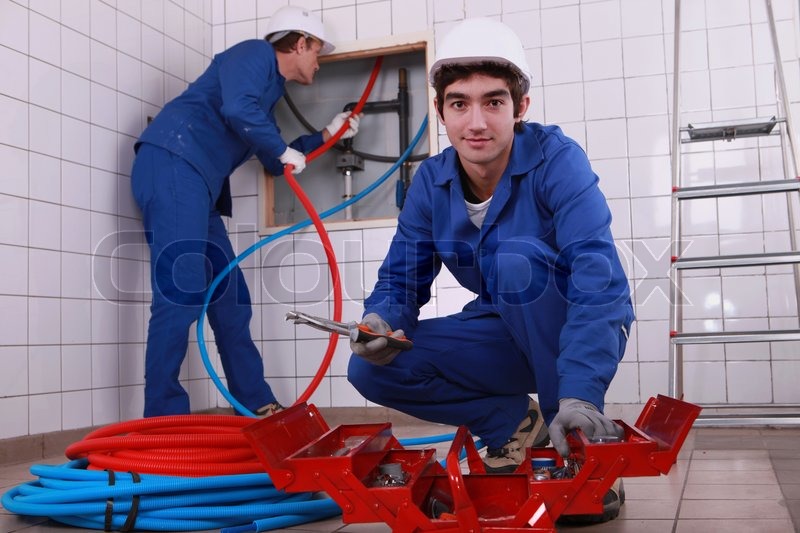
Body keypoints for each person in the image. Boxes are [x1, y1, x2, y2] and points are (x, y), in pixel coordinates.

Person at [347, 18, 634, 522]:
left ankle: (578, 453)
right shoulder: (431, 183)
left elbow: (600, 282)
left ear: (521, 108)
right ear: (440, 111)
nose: (475, 122)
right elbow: (401, 279)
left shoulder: (557, 161)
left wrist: (582, 394)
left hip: (567, 333)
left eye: (493, 102)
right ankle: (513, 426)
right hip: (504, 329)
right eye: (459, 103)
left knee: (514, 261)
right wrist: (380, 321)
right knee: (372, 364)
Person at [131, 6, 361, 418]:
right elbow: (240, 113)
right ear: (300, 42)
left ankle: (254, 403)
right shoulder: (253, 54)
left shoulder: (263, 97)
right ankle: (163, 418)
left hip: (197, 184)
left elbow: (276, 161)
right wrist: (280, 147)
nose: (318, 63)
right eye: (317, 53)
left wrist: (331, 131)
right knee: (181, 289)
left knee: (231, 298)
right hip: (173, 164)